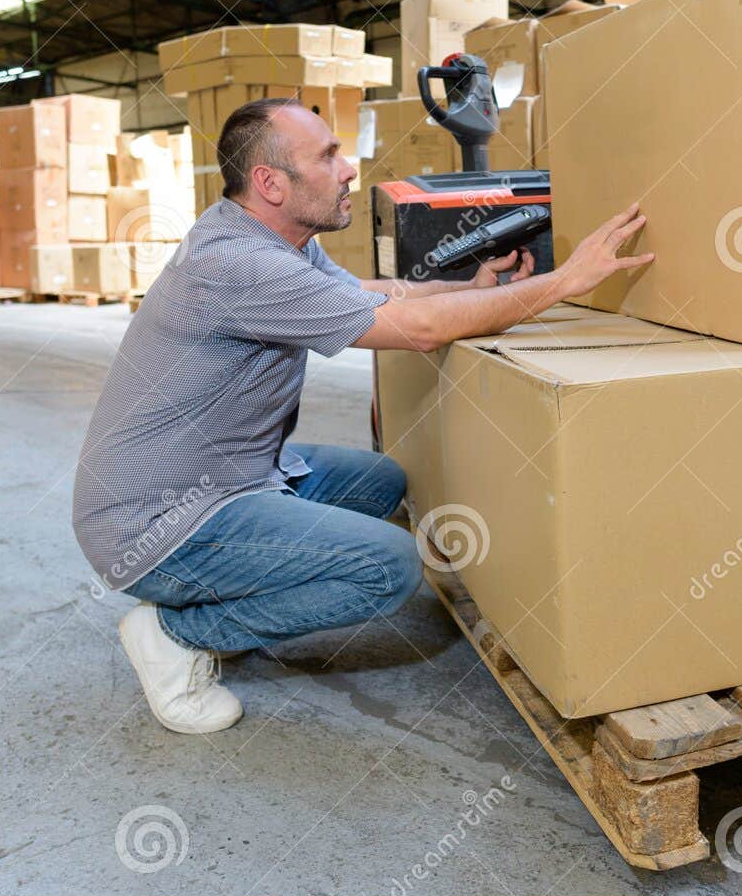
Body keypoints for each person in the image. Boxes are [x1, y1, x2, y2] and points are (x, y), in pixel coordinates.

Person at [72, 97, 653, 734]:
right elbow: (421, 330)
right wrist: (564, 281)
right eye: (326, 156)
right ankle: (179, 634)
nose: (349, 169)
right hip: (154, 523)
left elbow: (377, 295)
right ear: (270, 183)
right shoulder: (241, 263)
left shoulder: (270, 238)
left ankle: (233, 594)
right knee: (388, 565)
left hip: (227, 478)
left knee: (380, 482)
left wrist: (471, 290)